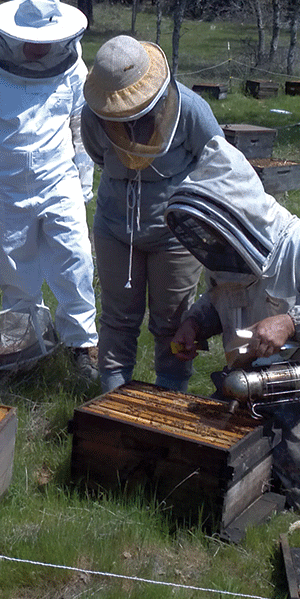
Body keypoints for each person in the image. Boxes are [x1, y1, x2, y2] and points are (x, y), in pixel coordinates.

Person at [166, 135, 300, 522]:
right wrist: (195, 324)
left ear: (240, 212)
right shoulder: (225, 250)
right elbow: (218, 300)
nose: (213, 243)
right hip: (242, 385)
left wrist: (293, 321)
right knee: (214, 472)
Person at [0, 0, 98, 382]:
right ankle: (24, 349)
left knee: (75, 259)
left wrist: (84, 180)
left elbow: (80, 128)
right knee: (15, 267)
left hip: (60, 180)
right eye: (28, 40)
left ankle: (81, 345)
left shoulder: (74, 70)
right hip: (6, 184)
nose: (37, 48)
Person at [81, 35, 222, 394]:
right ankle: (112, 396)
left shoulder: (189, 108)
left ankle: (172, 394)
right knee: (118, 319)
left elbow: (218, 161)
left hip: (176, 231)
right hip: (114, 225)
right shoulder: (93, 115)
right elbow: (100, 157)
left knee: (172, 320)